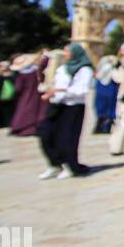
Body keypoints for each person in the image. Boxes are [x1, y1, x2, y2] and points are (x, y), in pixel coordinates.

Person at [38, 44, 93, 179]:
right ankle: (55, 164)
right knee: (46, 134)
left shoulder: (84, 69)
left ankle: (70, 166)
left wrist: (61, 91)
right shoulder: (63, 68)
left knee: (67, 138)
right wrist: (52, 93)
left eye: (68, 51)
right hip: (57, 105)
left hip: (73, 107)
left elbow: (82, 90)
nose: (65, 53)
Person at [8, 53, 49, 137]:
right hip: (37, 94)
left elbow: (18, 88)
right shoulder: (35, 71)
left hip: (25, 95)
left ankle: (22, 128)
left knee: (24, 111)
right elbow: (43, 70)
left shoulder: (21, 75)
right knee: (37, 110)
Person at [93, 56, 120, 133]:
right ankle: (105, 127)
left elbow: (98, 76)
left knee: (103, 109)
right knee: (108, 109)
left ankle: (102, 127)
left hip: (104, 90)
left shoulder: (107, 67)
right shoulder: (112, 68)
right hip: (109, 90)